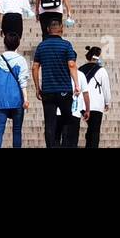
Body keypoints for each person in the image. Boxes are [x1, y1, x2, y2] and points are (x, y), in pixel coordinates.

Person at [32, 15, 82, 147]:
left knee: (49, 122)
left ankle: (51, 145)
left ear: (48, 29)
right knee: (66, 119)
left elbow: (35, 67)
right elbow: (72, 65)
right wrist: (77, 84)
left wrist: (37, 87)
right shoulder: (66, 46)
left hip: (47, 90)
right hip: (64, 89)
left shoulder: (41, 46)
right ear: (61, 29)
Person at [0, 32, 30, 148]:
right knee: (17, 130)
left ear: (5, 43)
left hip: (0, 99)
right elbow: (23, 81)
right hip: (17, 99)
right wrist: (26, 99)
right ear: (17, 44)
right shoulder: (21, 60)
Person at [80, 45, 112, 148]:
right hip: (97, 105)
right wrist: (107, 102)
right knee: (94, 130)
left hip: (83, 104)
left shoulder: (80, 70)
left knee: (91, 128)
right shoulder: (101, 70)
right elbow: (106, 88)